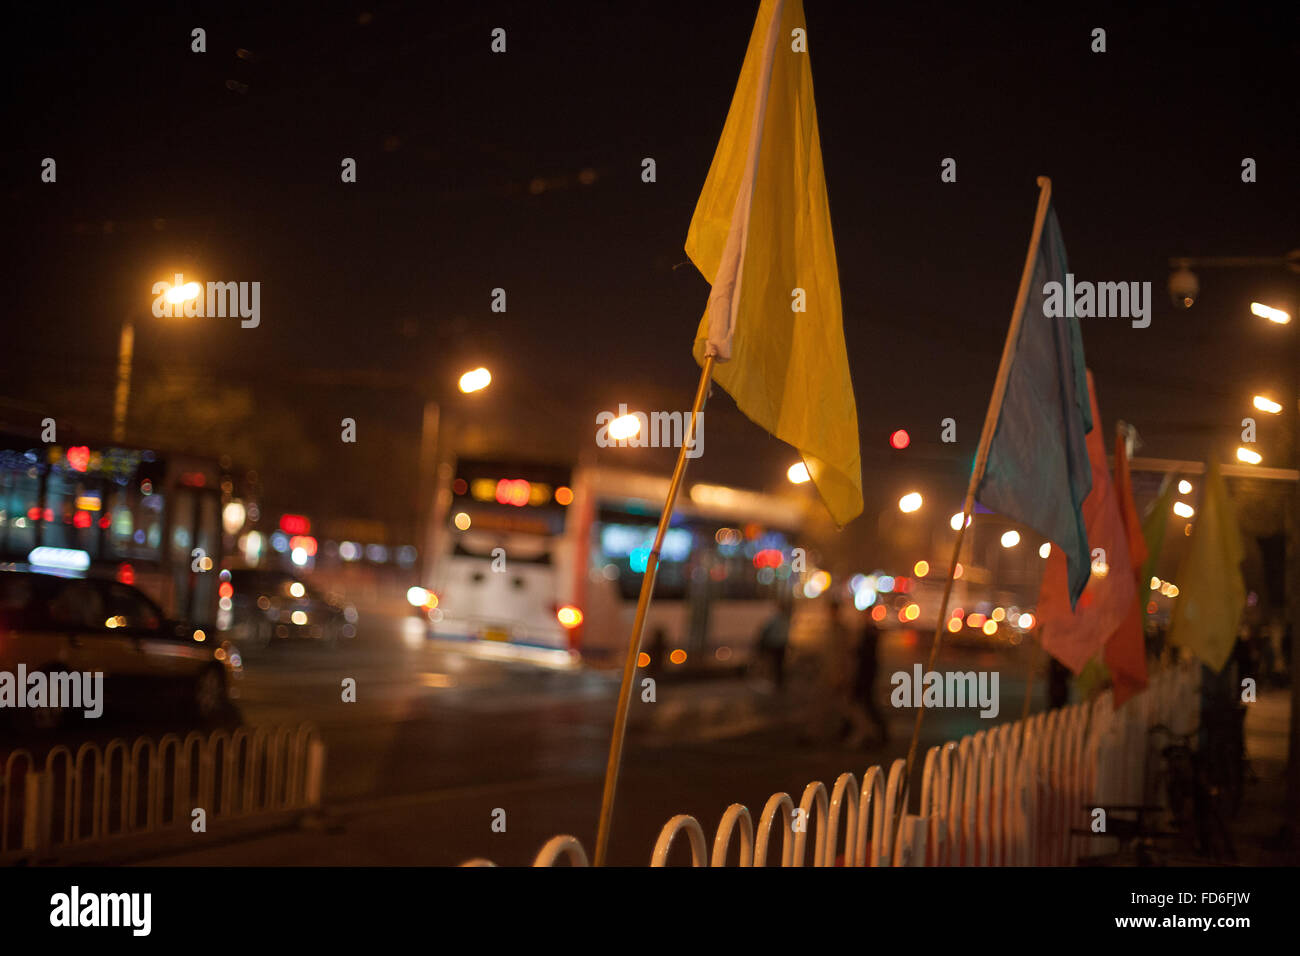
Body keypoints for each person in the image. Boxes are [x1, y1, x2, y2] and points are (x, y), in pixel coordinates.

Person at [848, 611, 888, 747]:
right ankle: (871, 731)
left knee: (865, 701)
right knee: (863, 702)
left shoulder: (870, 632)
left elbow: (865, 653)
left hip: (866, 672)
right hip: (865, 671)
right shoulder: (868, 631)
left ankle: (878, 732)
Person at [755, 598, 792, 690]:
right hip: (782, 645)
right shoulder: (786, 620)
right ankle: (780, 682)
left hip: (774, 644)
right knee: (780, 664)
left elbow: (766, 629)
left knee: (774, 664)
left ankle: (776, 682)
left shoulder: (775, 619)